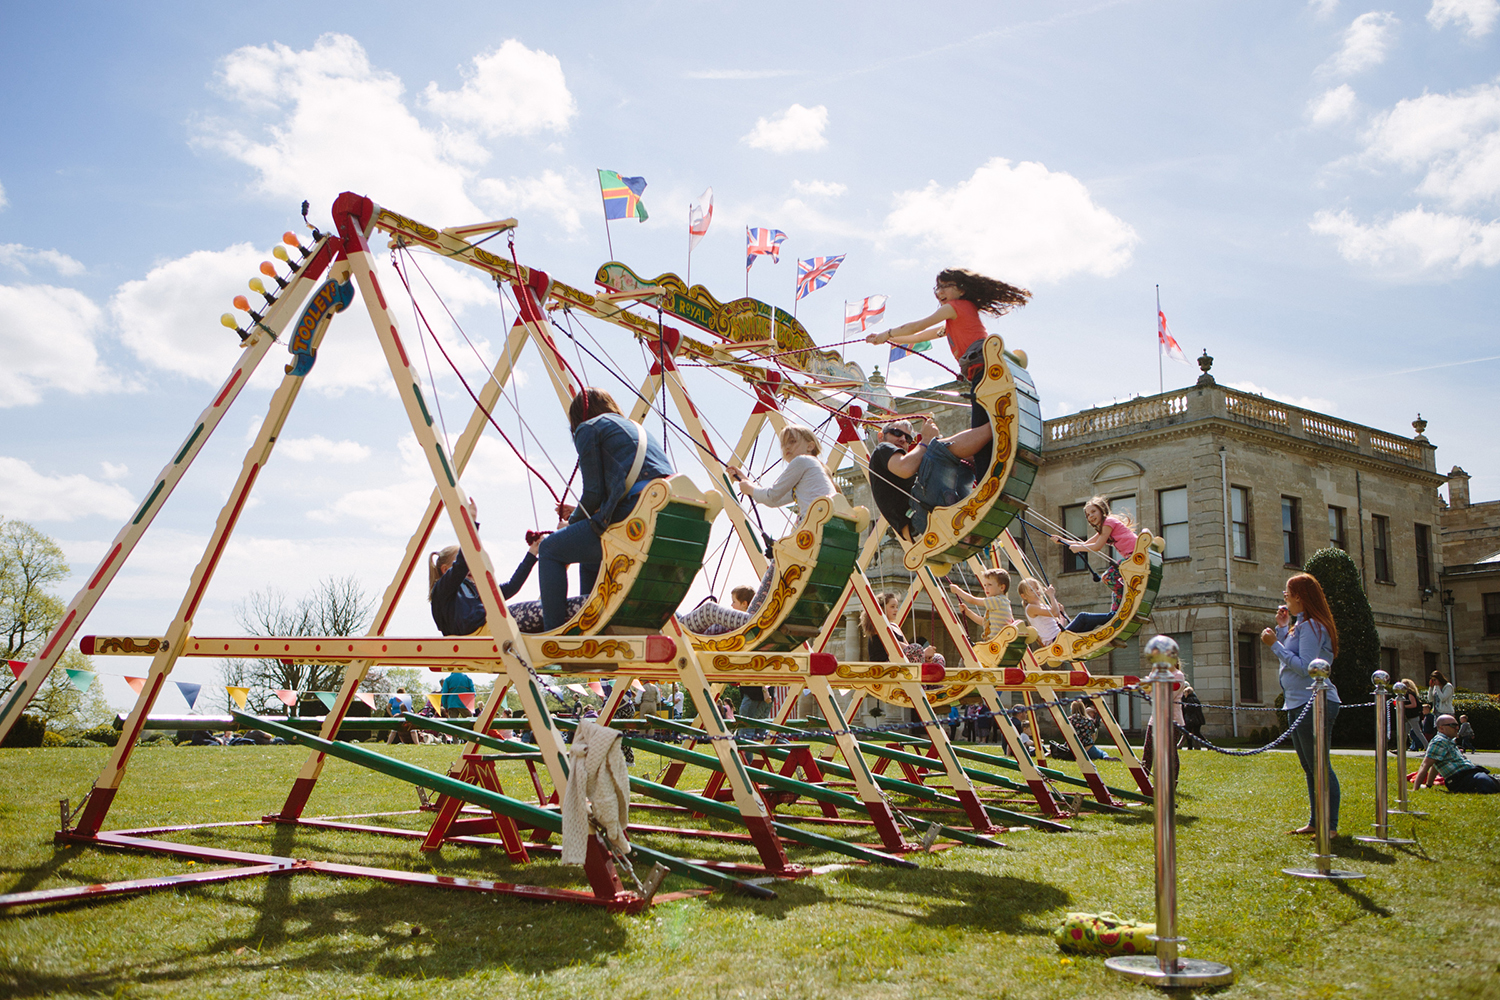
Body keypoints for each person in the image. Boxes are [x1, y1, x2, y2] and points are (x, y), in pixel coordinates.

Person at [865, 268, 1031, 475]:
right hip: (985, 372)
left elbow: (917, 326)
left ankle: (989, 475)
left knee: (981, 431)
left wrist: (886, 334)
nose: (939, 293)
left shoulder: (954, 307)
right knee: (984, 429)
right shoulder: (957, 313)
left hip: (984, 371)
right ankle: (998, 470)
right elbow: (921, 336)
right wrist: (887, 339)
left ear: (961, 290)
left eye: (945, 287)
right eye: (938, 288)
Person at [680, 424, 840, 635]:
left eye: (792, 442)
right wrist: (747, 483)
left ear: (810, 446)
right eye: (784, 445)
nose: (786, 448)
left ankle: (677, 629)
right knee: (729, 621)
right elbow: (774, 497)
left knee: (710, 611)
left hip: (800, 543)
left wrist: (748, 488)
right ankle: (689, 628)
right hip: (813, 541)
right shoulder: (819, 474)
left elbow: (771, 496)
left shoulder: (803, 461)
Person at [538, 388, 674, 630]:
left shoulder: (588, 428)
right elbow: (624, 483)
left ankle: (553, 636)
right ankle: (591, 624)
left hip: (635, 517)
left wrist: (571, 524)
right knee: (589, 559)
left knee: (550, 549)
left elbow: (592, 493)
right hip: (663, 515)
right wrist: (580, 514)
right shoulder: (635, 428)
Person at [1262, 573, 1342, 836]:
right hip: (1299, 703)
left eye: (1287, 593)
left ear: (1298, 596)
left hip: (1314, 702)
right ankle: (1316, 822)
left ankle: (1328, 826)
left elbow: (1306, 667)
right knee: (1310, 766)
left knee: (1319, 764)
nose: (1284, 597)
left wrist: (1275, 644)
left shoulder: (1312, 626)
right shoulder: (1303, 625)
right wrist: (1284, 629)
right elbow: (1294, 654)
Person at [866, 414, 997, 540]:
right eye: (896, 433)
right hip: (918, 516)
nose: (903, 439)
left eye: (908, 438)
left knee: (962, 458)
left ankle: (995, 448)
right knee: (939, 448)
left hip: (924, 515)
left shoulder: (911, 459)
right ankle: (994, 426)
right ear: (881, 436)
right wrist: (927, 440)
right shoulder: (882, 449)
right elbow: (905, 468)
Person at [1050, 496, 1137, 614]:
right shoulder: (1105, 526)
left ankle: (1126, 602)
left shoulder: (1108, 522)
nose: (1091, 516)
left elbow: (1097, 546)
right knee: (1114, 580)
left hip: (1134, 556)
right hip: (1132, 557)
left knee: (1108, 578)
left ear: (1102, 510)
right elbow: (1086, 544)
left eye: (1093, 512)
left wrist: (1078, 548)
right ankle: (1119, 607)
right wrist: (1062, 540)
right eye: (1087, 515)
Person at [1414, 715, 1498, 793]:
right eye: (1453, 725)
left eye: (1457, 725)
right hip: (1464, 779)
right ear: (1441, 728)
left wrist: (1428, 785)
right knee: (1489, 783)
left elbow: (1435, 765)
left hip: (1470, 776)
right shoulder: (1439, 741)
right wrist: (1415, 789)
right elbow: (1425, 765)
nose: (1457, 728)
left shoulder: (1448, 740)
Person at [949, 568, 1015, 641]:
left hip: (996, 642)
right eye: (985, 585)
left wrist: (957, 590)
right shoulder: (999, 603)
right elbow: (983, 622)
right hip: (995, 642)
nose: (986, 588)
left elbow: (973, 600)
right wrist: (968, 612)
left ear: (1002, 587)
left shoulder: (997, 600)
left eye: (989, 585)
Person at [863, 592, 908, 661]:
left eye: (897, 607)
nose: (896, 610)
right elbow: (898, 646)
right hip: (884, 667)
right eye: (892, 607)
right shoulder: (879, 627)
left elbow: (908, 648)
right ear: (882, 608)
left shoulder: (895, 626)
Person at [1396, 679, 1426, 751]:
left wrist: (1403, 706)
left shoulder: (1410, 694)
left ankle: (1427, 747)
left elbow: (1414, 704)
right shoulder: (1405, 694)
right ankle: (1400, 748)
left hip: (1413, 716)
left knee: (1418, 732)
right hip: (1408, 716)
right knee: (1404, 732)